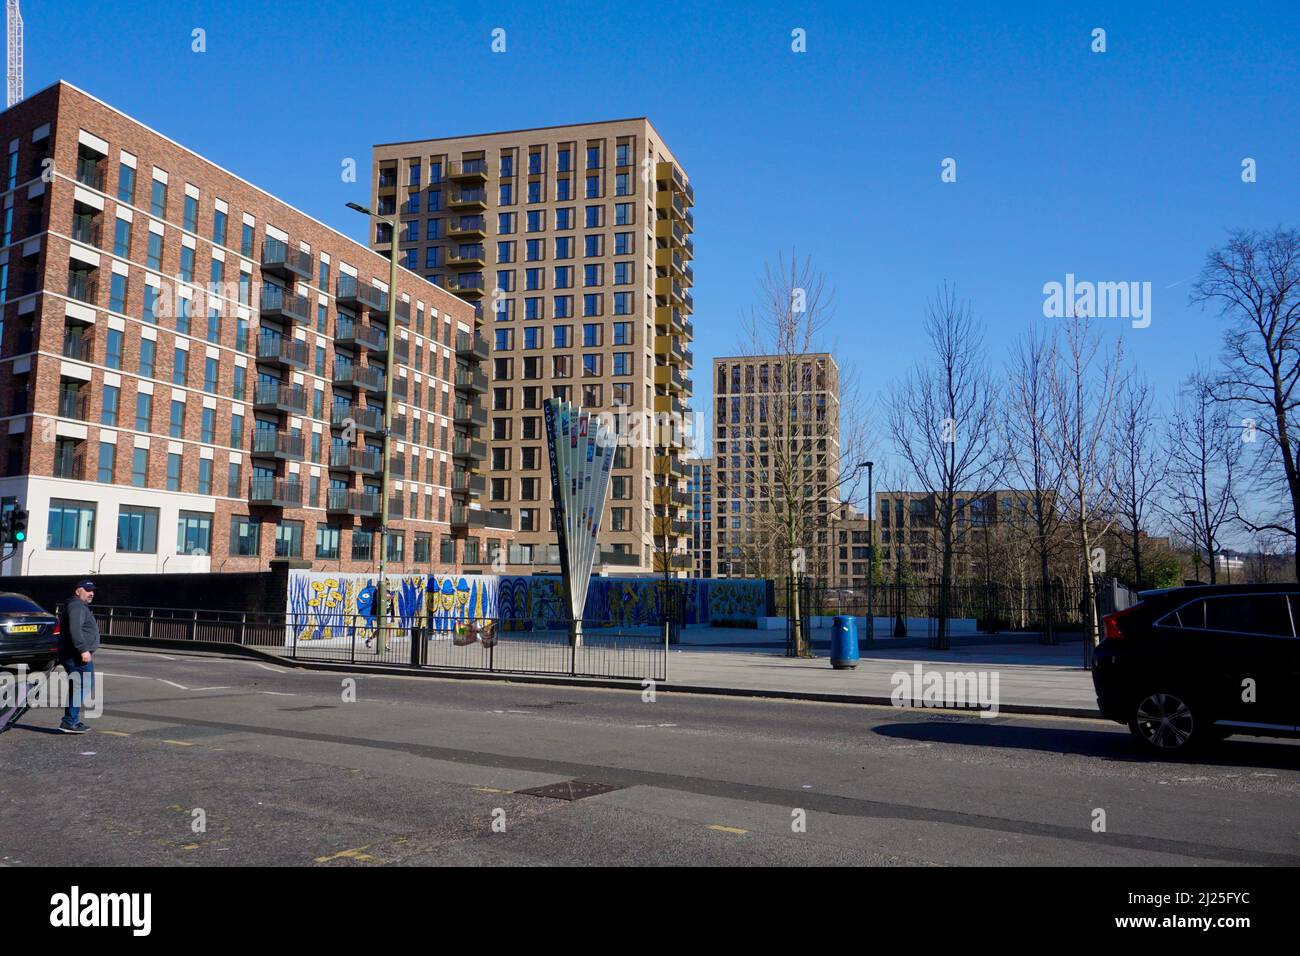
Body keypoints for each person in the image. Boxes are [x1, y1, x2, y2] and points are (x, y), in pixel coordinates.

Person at [58, 580, 99, 734]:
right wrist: (83, 650)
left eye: (93, 590)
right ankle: (69, 721)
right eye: (88, 590)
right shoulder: (77, 606)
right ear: (77, 591)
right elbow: (74, 629)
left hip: (72, 653)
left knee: (79, 685)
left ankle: (70, 720)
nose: (92, 593)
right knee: (83, 685)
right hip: (75, 655)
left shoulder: (77, 606)